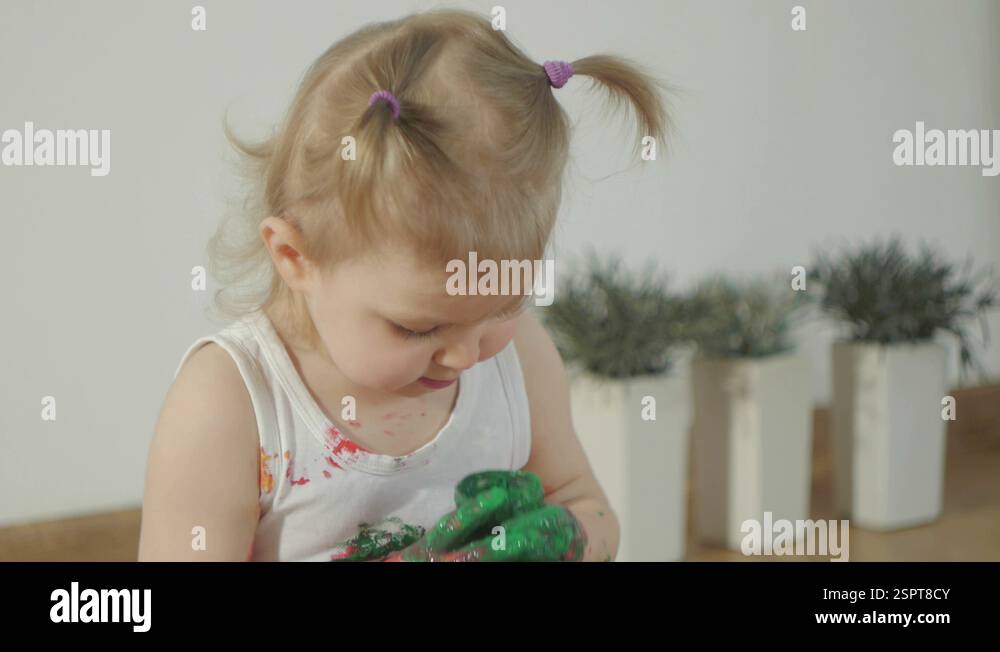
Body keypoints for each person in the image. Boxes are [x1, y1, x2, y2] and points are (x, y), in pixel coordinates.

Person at [138, 8, 668, 561]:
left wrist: (568, 537)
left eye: (503, 303)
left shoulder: (521, 363)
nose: (466, 355)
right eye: (419, 327)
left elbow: (586, 502)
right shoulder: (234, 401)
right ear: (296, 257)